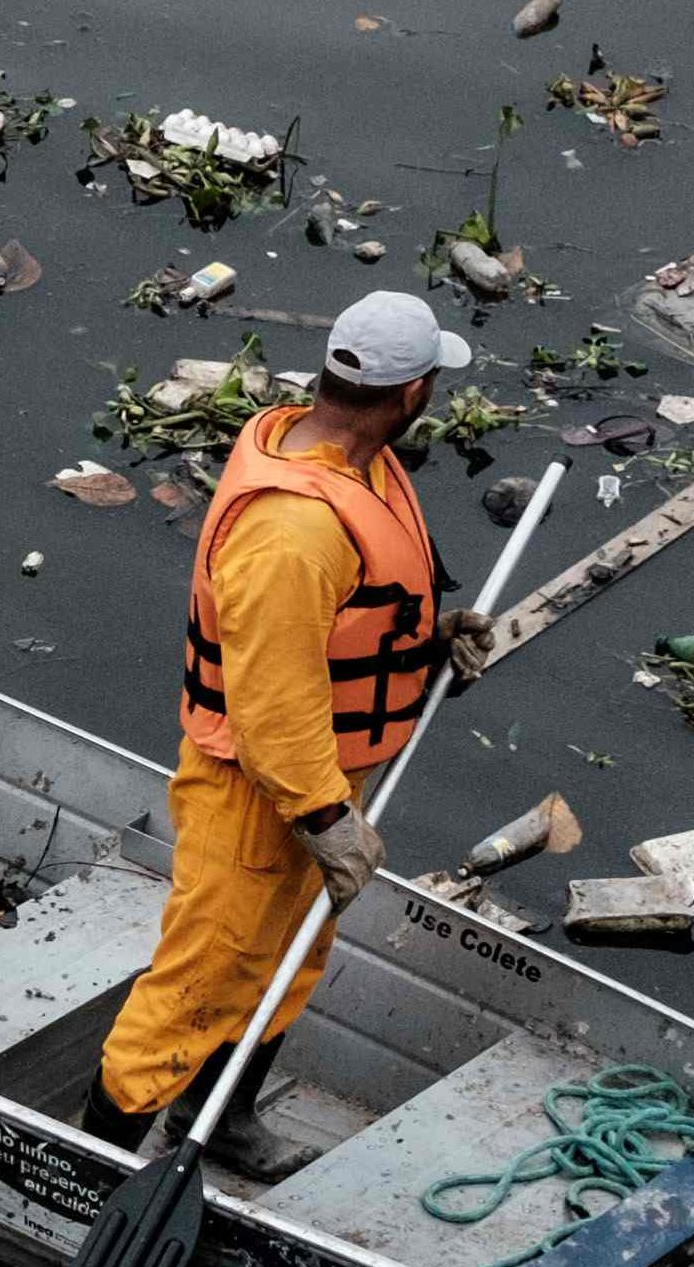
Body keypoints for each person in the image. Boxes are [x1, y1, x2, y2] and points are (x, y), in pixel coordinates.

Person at [85, 290, 493, 1178]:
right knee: (197, 988)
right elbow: (270, 700)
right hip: (259, 793)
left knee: (288, 958)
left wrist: (429, 640)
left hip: (316, 782)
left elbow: (342, 617)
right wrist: (326, 820)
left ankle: (221, 1121)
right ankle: (85, 1174)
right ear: (413, 393)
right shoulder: (293, 528)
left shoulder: (347, 458)